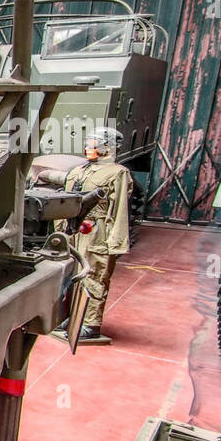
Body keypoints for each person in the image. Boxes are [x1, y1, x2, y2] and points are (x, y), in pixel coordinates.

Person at [50, 129, 133, 340]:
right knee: (73, 274)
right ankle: (73, 316)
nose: (89, 147)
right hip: (74, 230)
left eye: (94, 143)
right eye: (88, 142)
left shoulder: (117, 173)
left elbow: (119, 208)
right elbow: (66, 200)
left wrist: (115, 242)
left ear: (107, 147)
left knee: (95, 275)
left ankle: (91, 322)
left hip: (97, 231)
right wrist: (60, 227)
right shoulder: (79, 170)